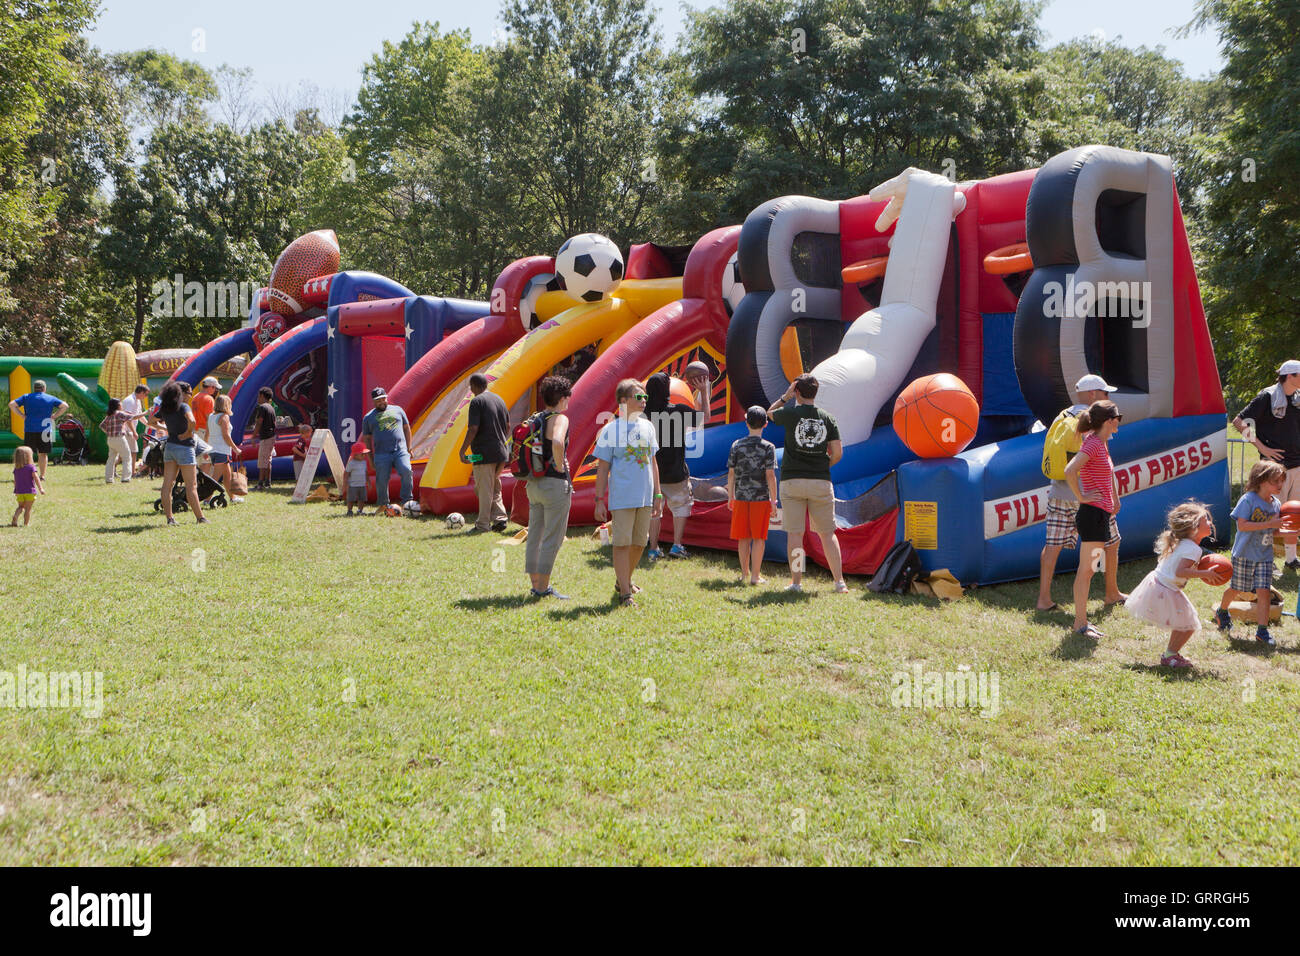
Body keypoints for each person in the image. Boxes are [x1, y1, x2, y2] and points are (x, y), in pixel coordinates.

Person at [1036, 374, 1121, 611]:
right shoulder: (1096, 420)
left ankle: (1044, 598)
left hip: (1059, 493)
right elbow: (1106, 461)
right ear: (1093, 394)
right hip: (1091, 498)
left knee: (1052, 545)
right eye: (1105, 393)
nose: (1107, 398)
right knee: (1111, 543)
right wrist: (1112, 497)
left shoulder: (1062, 416)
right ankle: (1111, 592)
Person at [767, 373, 848, 594]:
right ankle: (839, 582)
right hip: (820, 480)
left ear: (797, 391)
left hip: (792, 480)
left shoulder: (790, 413)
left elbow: (768, 414)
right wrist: (822, 466)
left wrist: (785, 397)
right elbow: (838, 452)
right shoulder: (828, 418)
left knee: (795, 534)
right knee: (828, 533)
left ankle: (796, 583)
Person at [1124, 502, 1220, 669]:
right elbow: (1180, 572)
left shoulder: (1183, 543)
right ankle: (1170, 655)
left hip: (1160, 584)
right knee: (1189, 624)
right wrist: (1205, 574)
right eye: (1206, 520)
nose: (1210, 523)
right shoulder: (1193, 549)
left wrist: (1197, 568)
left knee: (1185, 622)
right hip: (1165, 588)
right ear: (1194, 527)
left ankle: (1171, 653)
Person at [593, 379, 661, 606]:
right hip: (622, 496)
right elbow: (602, 468)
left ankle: (623, 580)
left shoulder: (648, 426)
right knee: (621, 543)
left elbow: (653, 463)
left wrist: (658, 494)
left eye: (645, 397)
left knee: (640, 542)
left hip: (645, 496)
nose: (643, 401)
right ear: (623, 401)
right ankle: (625, 592)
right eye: (638, 397)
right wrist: (598, 500)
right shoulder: (610, 429)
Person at [1232, 359, 1300, 570]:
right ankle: (1266, 562)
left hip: (1297, 464)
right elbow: (1238, 421)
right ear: (1290, 376)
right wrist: (1263, 448)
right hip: (1274, 468)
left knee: (1293, 514)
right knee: (1270, 516)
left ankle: (1291, 558)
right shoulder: (1267, 396)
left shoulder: (1298, 399)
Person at [1063, 400, 1123, 638]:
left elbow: (1108, 474)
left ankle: (1082, 621)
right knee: (1087, 571)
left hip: (1101, 514)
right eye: (1117, 418)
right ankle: (1080, 623)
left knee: (1089, 569)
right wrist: (1083, 497)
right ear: (1109, 421)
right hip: (1092, 515)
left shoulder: (1102, 443)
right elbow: (1070, 470)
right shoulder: (1094, 443)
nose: (1119, 422)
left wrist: (1114, 499)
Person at [1214, 460, 1286, 646]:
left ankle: (1262, 631)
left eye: (1281, 481)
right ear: (1261, 481)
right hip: (1245, 554)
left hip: (1264, 556)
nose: (1280, 485)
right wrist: (1270, 524)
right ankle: (1222, 611)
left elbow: (1273, 531)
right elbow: (1242, 525)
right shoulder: (1248, 500)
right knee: (1237, 588)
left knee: (1263, 592)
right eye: (1275, 481)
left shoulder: (1276, 504)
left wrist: (1290, 531)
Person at [645, 371, 704, 559]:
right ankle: (677, 545)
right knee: (681, 507)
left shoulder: (643, 415)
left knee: (655, 510)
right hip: (675, 471)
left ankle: (653, 548)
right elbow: (704, 418)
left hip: (651, 474)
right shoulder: (679, 410)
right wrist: (703, 392)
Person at [525, 376, 573, 599]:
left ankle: (535, 583)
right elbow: (557, 442)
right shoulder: (560, 419)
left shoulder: (537, 417)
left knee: (535, 534)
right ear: (562, 399)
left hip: (534, 483)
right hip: (554, 484)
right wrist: (559, 463)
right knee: (552, 537)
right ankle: (543, 588)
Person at [727, 405, 778, 585]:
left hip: (740, 496)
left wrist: (730, 496)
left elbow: (731, 474)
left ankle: (744, 574)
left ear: (746, 421)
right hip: (761, 498)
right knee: (758, 538)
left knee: (743, 537)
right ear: (765, 424)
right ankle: (756, 576)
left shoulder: (736, 445)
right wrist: (773, 500)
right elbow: (770, 476)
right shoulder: (769, 448)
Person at [459, 372, 510, 533]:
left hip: (483, 452)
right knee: (494, 486)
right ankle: (500, 518)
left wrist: (462, 450)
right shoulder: (499, 400)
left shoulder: (476, 401)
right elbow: (508, 426)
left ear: (473, 386)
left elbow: (473, 428)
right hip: (501, 451)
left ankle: (482, 525)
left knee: (484, 489)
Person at [155, 381, 206, 525]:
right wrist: (187, 433)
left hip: (170, 447)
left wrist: (164, 428)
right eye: (189, 393)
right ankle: (200, 518)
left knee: (167, 485)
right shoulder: (183, 406)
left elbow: (151, 420)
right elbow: (192, 421)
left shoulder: (165, 408)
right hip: (184, 448)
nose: (190, 396)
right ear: (181, 393)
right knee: (191, 486)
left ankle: (170, 518)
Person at [362, 386, 413, 510]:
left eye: (383, 399)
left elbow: (407, 428)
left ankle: (407, 501)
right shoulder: (368, 417)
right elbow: (367, 438)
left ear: (386, 398)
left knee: (406, 470)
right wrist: (370, 458)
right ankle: (383, 504)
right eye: (378, 400)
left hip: (400, 450)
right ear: (373, 402)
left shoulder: (398, 410)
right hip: (381, 453)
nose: (381, 402)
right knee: (382, 479)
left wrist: (409, 448)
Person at [8, 380, 68, 480]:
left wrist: (22, 415)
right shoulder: (50, 398)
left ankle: (28, 475)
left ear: (34, 388)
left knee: (28, 453)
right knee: (43, 453)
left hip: (30, 428)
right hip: (46, 429)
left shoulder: (26, 397)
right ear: (44, 388)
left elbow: (11, 404)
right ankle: (42, 476)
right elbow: (65, 406)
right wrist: (54, 416)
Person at [98, 398, 145, 483]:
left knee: (111, 459)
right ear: (118, 405)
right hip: (119, 438)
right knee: (127, 457)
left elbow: (101, 426)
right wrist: (146, 413)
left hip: (110, 439)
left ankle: (109, 479)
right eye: (120, 404)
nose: (122, 405)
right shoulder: (119, 414)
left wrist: (109, 432)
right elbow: (134, 417)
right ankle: (125, 478)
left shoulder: (109, 415)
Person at [206, 395, 238, 492]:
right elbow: (226, 435)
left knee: (227, 475)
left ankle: (232, 497)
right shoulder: (224, 417)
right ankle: (206, 499)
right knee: (215, 478)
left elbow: (207, 434)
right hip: (222, 451)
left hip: (213, 450)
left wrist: (205, 450)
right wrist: (235, 448)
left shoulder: (211, 416)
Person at [9, 445, 43, 526]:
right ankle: (26, 524)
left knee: (20, 507)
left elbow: (15, 481)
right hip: (30, 492)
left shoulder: (16, 469)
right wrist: (41, 488)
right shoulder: (31, 467)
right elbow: (36, 478)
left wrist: (16, 490)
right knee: (27, 510)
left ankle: (15, 516)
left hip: (19, 492)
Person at [252, 387, 277, 490]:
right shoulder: (271, 408)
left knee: (262, 461)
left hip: (266, 437)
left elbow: (259, 422)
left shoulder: (262, 407)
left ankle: (260, 484)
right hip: (271, 436)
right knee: (268, 460)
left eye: (258, 396)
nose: (257, 398)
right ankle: (268, 482)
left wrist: (253, 436)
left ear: (262, 396)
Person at [121, 384, 150, 457]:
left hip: (129, 430)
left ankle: (115, 466)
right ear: (141, 392)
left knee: (128, 452)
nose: (146, 397)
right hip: (126, 430)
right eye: (146, 394)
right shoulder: (130, 400)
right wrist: (134, 432)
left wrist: (148, 424)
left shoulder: (138, 400)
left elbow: (140, 415)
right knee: (133, 452)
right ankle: (132, 469)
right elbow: (128, 419)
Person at [344, 442, 371, 516]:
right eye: (362, 454)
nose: (364, 455)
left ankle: (360, 510)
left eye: (365, 454)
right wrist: (345, 484)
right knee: (351, 499)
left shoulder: (364, 462)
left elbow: (365, 472)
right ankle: (349, 510)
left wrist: (368, 481)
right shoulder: (351, 463)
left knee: (362, 499)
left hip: (362, 484)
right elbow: (346, 473)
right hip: (353, 485)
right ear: (355, 455)